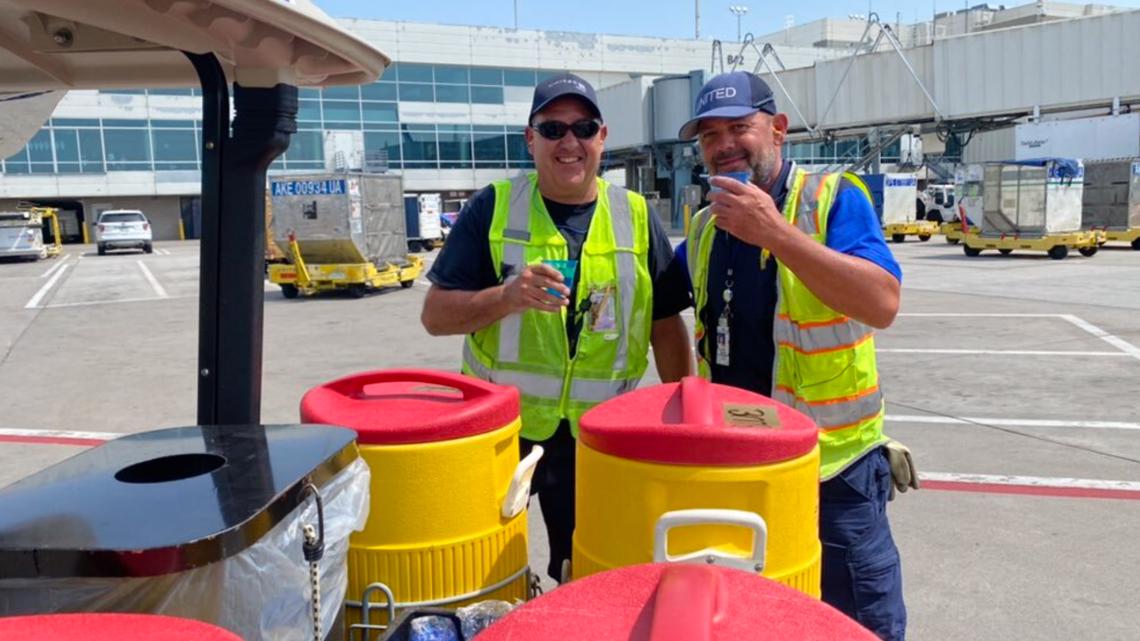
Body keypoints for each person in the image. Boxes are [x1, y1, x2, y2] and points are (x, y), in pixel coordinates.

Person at [420, 72, 693, 582]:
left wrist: (686, 411)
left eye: (584, 128)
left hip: (597, 435)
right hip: (504, 431)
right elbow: (435, 316)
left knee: (587, 572)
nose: (570, 142)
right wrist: (505, 296)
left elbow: (665, 323)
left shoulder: (635, 215)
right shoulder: (493, 207)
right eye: (553, 130)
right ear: (531, 139)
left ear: (602, 137)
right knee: (481, 569)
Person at [676, 71, 917, 641]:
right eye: (710, 136)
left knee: (859, 623)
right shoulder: (708, 225)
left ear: (779, 130)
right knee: (758, 617)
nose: (724, 144)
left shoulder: (831, 198)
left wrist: (777, 235)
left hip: (833, 473)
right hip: (741, 467)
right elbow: (657, 302)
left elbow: (882, 302)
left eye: (740, 127)